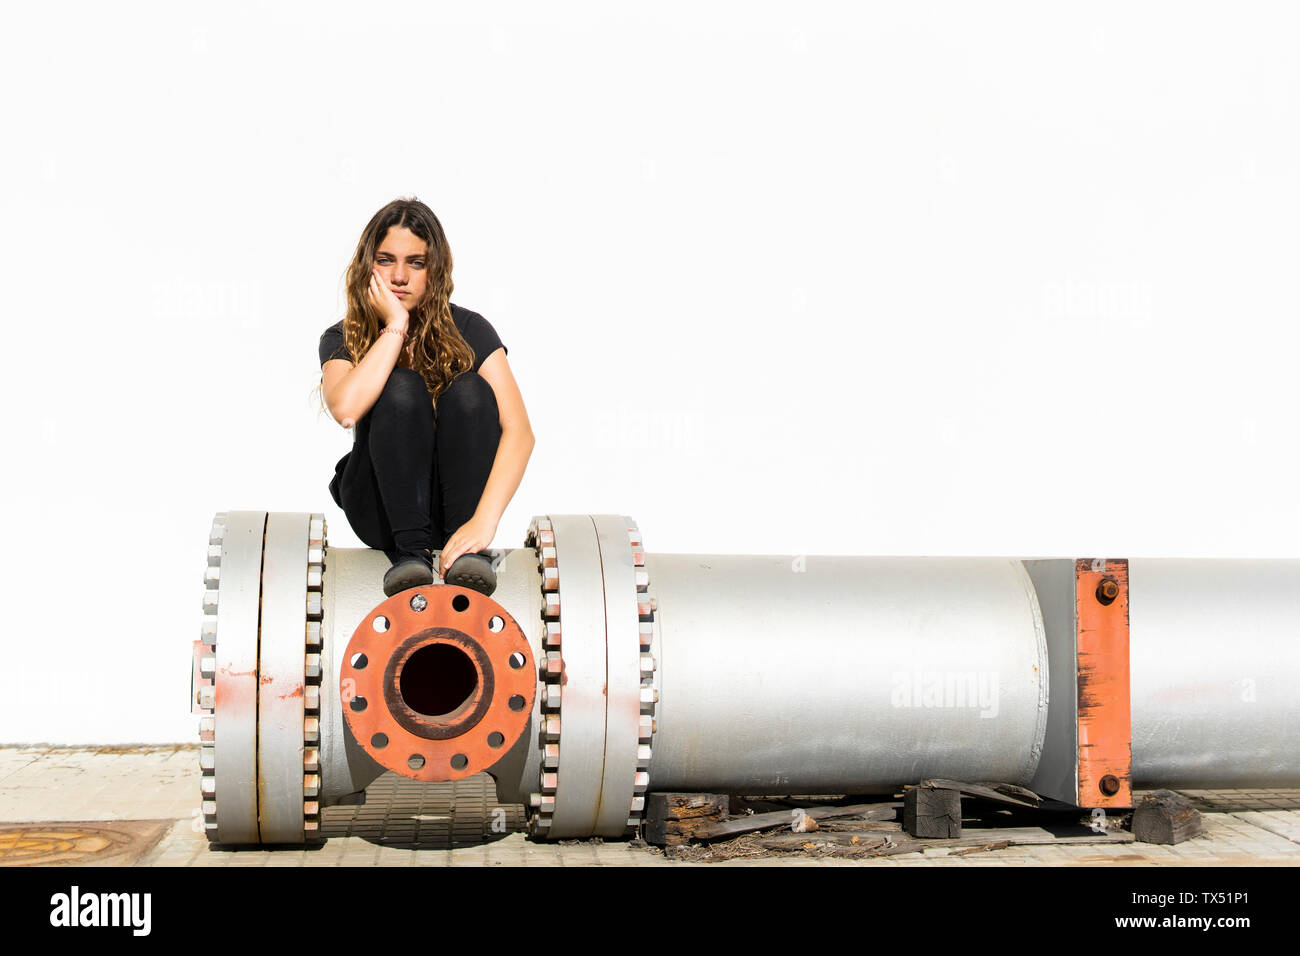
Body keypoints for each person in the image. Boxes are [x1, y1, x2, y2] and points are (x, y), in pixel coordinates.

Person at [317, 197, 534, 597]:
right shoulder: (343, 335)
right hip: (381, 506)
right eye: (386, 260)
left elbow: (519, 431)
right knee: (402, 386)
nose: (399, 276)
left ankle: (464, 555)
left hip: (456, 507)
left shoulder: (470, 329)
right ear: (368, 267)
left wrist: (485, 521)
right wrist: (395, 326)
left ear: (434, 271)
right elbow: (346, 410)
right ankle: (409, 556)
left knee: (468, 389)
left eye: (415, 263)